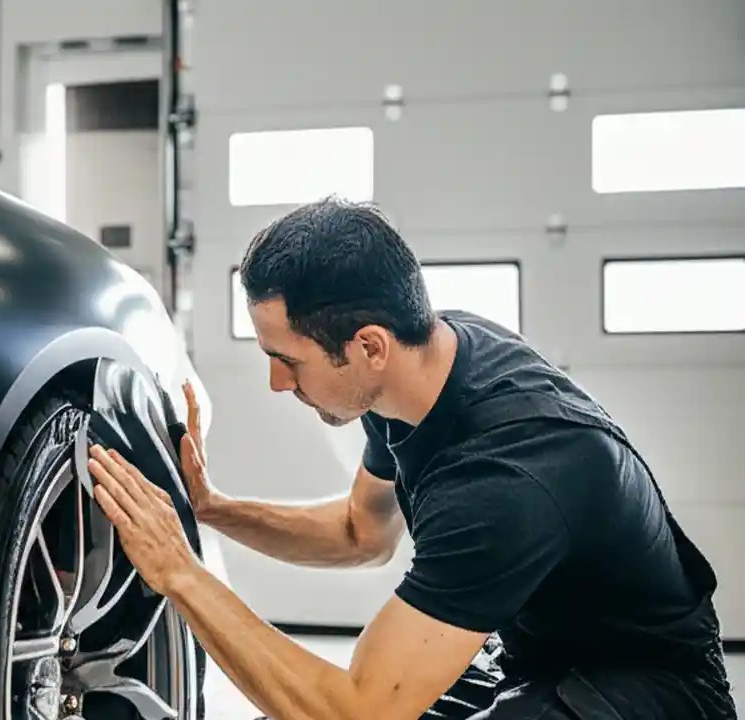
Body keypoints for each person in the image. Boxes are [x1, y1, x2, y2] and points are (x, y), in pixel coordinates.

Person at [84, 197, 736, 719]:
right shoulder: (420, 367)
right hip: (538, 656)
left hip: (645, 691)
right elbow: (359, 534)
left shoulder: (507, 481)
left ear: (368, 347)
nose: (277, 385)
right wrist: (212, 509)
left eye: (288, 361)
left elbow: (356, 712)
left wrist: (181, 572)